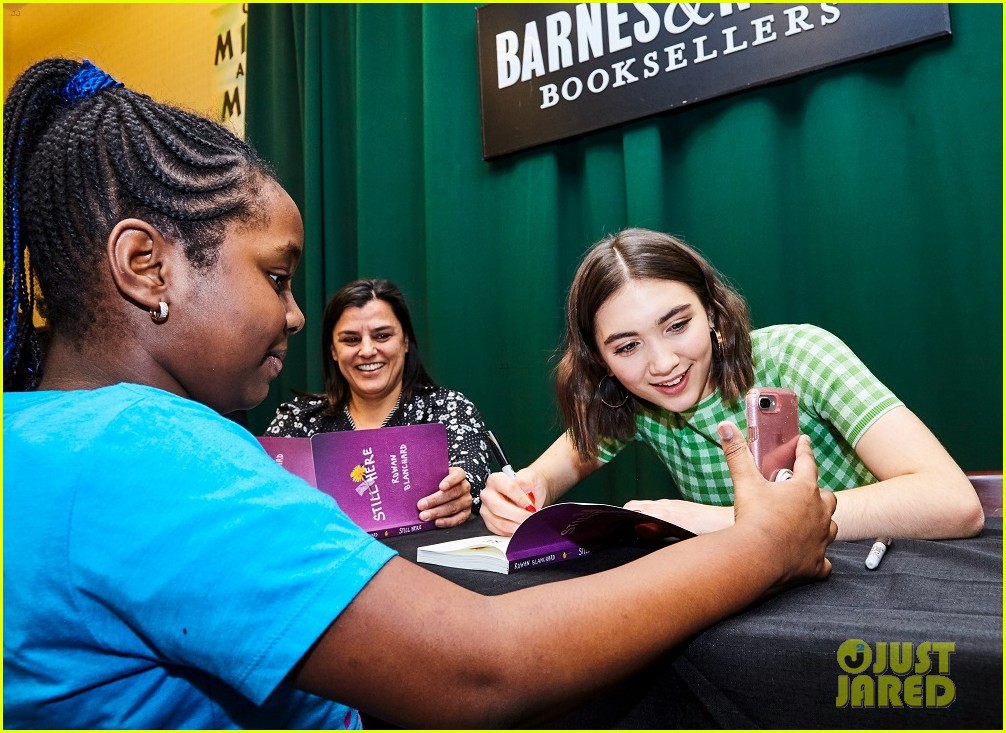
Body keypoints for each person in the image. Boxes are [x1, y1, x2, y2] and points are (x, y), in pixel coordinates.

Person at [3, 58, 836, 729]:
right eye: (278, 276)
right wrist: (763, 547)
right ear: (146, 265)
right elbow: (480, 667)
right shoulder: (144, 451)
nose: (295, 312)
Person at [480, 228, 985, 542]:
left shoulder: (799, 355)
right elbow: (545, 477)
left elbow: (952, 502)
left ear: (714, 314)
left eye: (677, 325)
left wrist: (724, 520)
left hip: (884, 577)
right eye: (627, 346)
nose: (662, 364)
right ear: (602, 361)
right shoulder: (630, 400)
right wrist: (522, 492)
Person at [266, 278, 490, 526]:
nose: (367, 350)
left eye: (382, 336)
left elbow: (471, 479)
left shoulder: (449, 409)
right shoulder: (298, 419)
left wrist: (460, 492)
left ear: (405, 341)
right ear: (333, 350)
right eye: (351, 340)